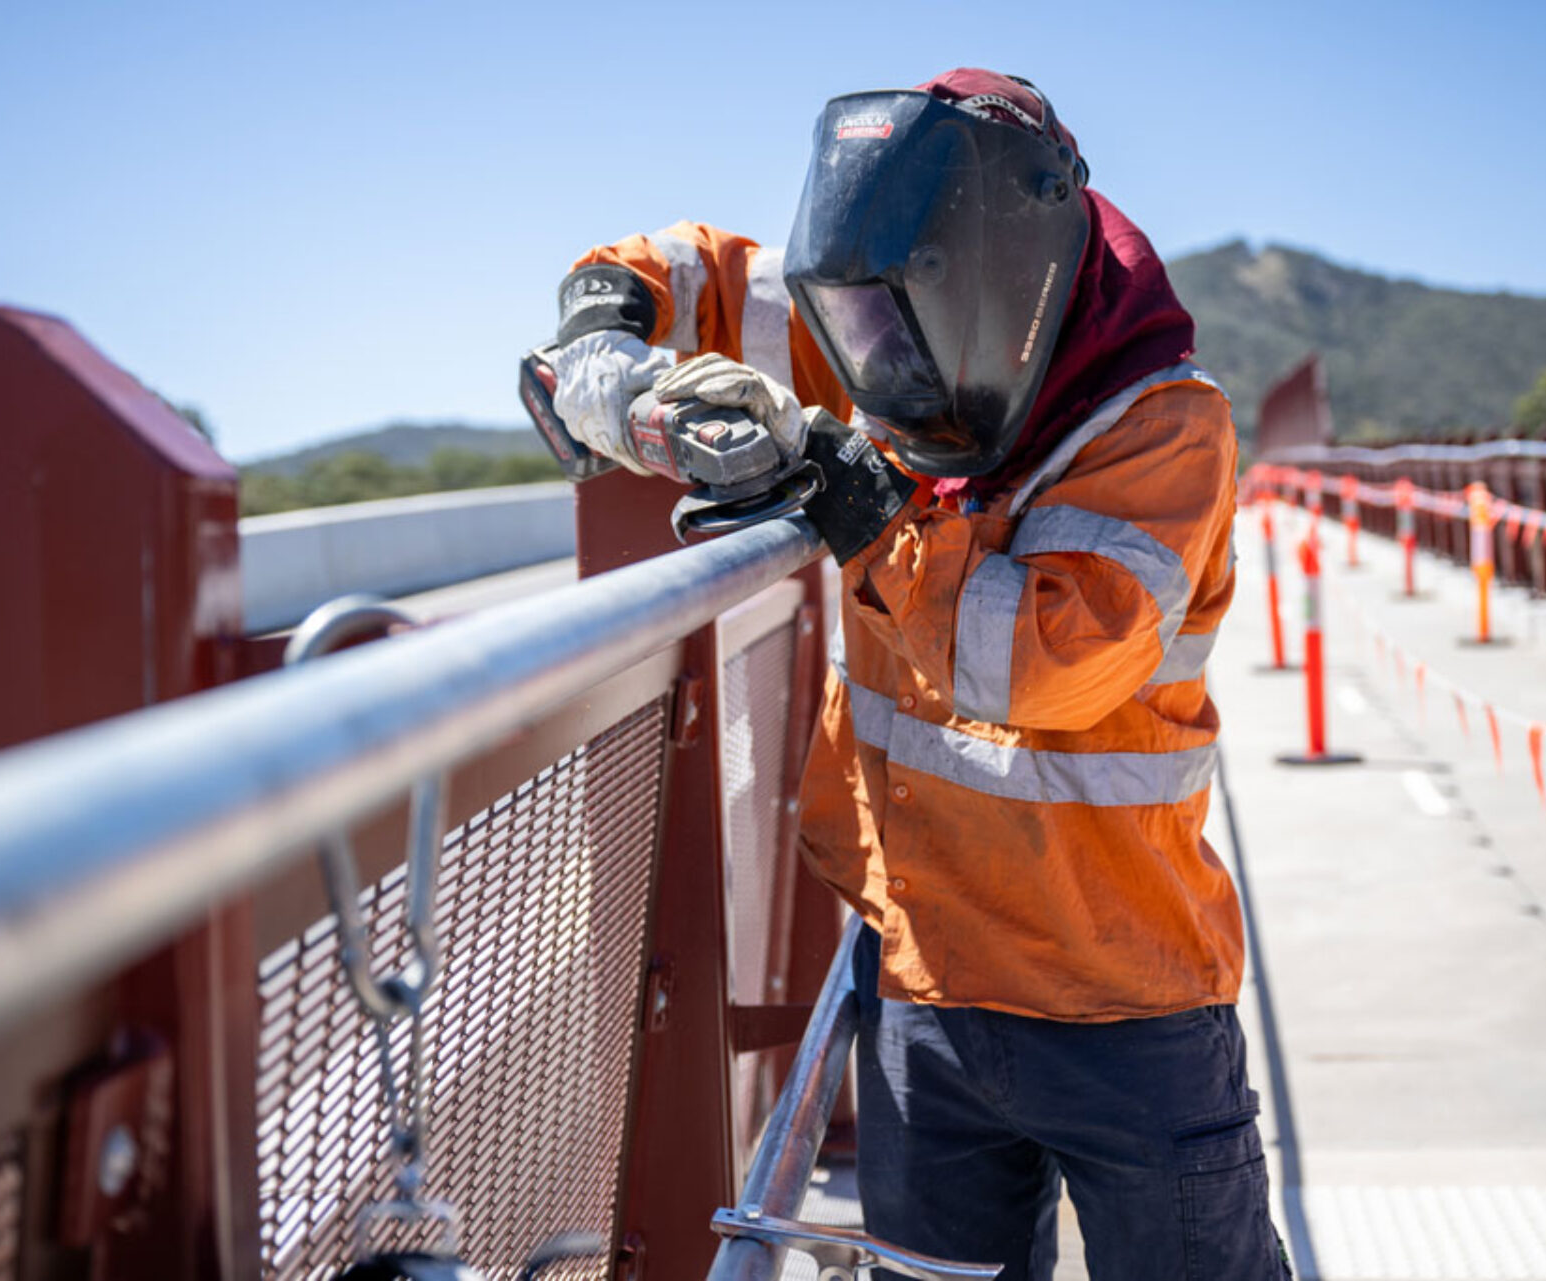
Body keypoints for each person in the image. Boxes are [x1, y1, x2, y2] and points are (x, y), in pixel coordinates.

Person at [545, 69, 1288, 1281]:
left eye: (892, 332)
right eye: (860, 331)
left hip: (1126, 1004)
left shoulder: (1161, 430)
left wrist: (863, 505)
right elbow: (697, 275)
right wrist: (599, 335)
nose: (878, 372)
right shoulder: (883, 325)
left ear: (1006, 281)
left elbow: (1036, 666)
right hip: (924, 983)